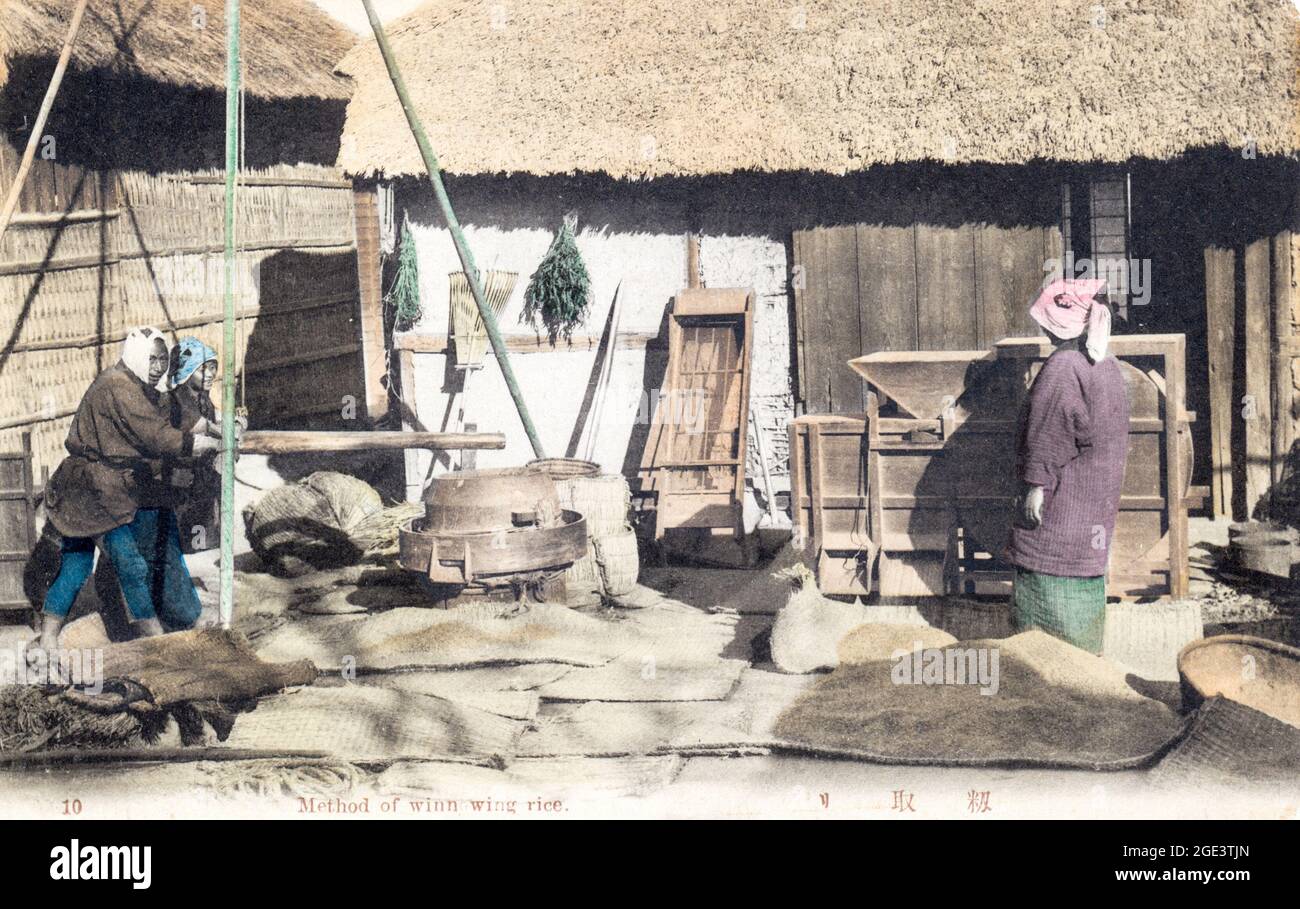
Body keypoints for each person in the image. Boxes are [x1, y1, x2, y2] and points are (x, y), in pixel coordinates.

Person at [35, 328, 221, 657]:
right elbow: (154, 435)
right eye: (152, 359)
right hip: (93, 491)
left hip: (93, 488)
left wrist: (209, 426)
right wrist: (198, 444)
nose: (158, 367)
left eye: (163, 360)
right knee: (125, 565)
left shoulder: (137, 384)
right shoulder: (117, 386)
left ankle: (50, 637)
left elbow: (167, 409)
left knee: (78, 566)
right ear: (135, 354)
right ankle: (153, 638)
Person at [1004, 278, 1130, 654]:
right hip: (1095, 499)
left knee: (1045, 563)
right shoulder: (1105, 364)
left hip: (1065, 498)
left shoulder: (1063, 366)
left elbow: (1047, 435)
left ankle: (1038, 663)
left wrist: (1034, 487)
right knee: (1084, 572)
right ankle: (1085, 661)